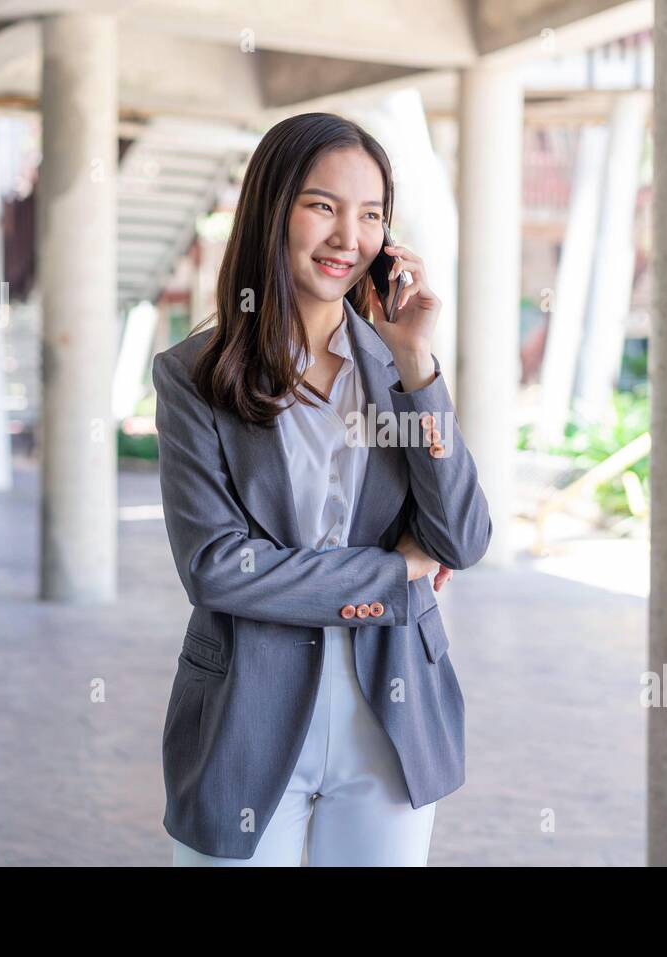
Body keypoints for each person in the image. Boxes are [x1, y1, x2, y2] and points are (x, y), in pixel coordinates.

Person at [152, 111, 492, 866]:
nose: (349, 237)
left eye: (370, 213)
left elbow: (462, 537)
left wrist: (417, 366)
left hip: (392, 714)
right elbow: (214, 567)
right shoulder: (195, 376)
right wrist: (394, 570)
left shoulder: (399, 370)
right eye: (323, 206)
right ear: (272, 210)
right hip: (247, 715)